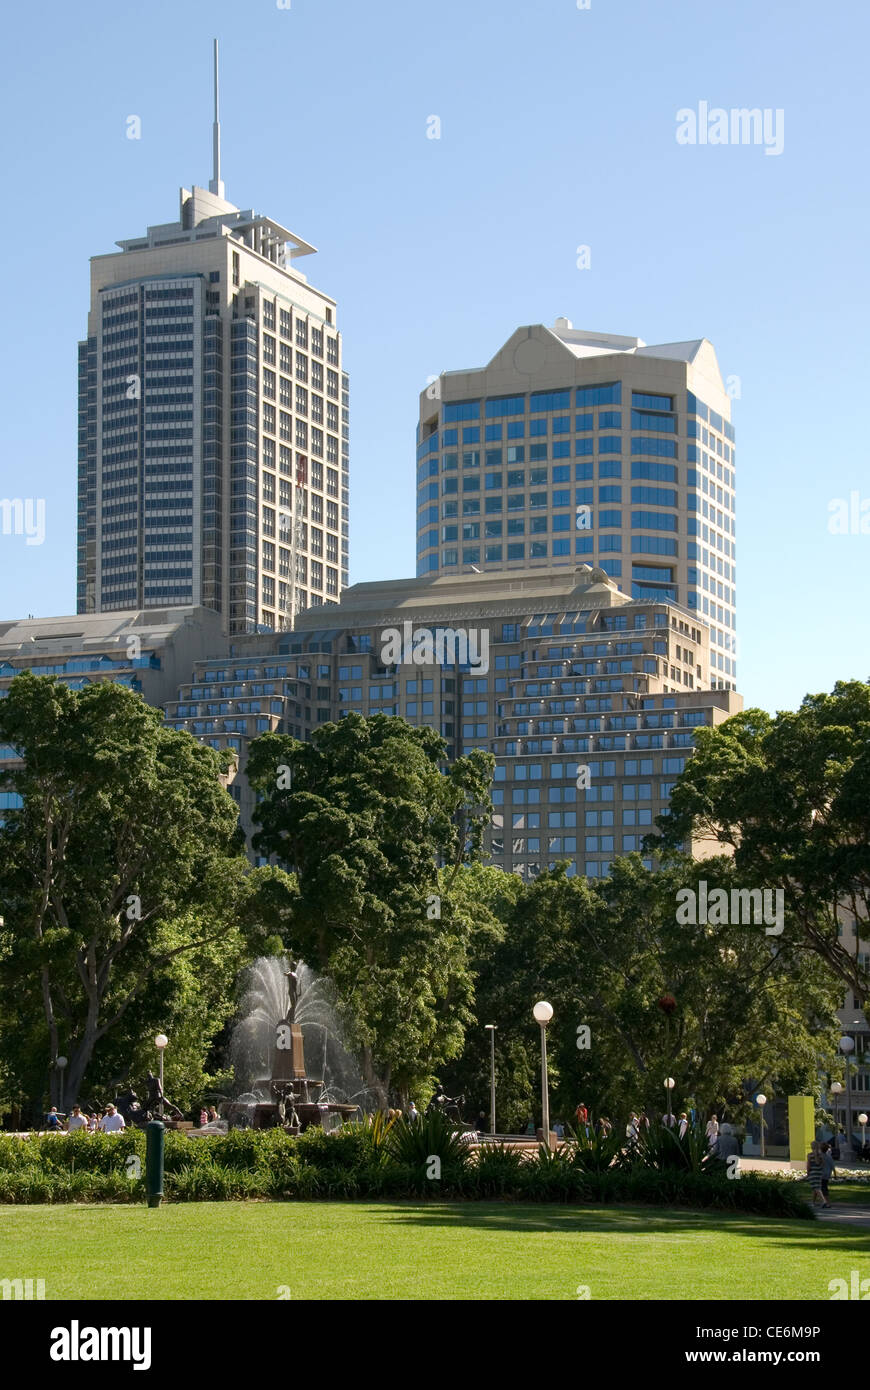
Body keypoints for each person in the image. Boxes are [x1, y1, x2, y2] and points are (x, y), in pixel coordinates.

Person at [807, 1141, 829, 1208]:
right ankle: (813, 1203)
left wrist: (808, 1173)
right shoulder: (821, 1155)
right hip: (819, 1173)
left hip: (813, 1173)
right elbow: (821, 1164)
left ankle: (823, 1201)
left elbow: (809, 1165)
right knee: (815, 1188)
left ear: (811, 1147)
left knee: (817, 1188)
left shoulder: (810, 1155)